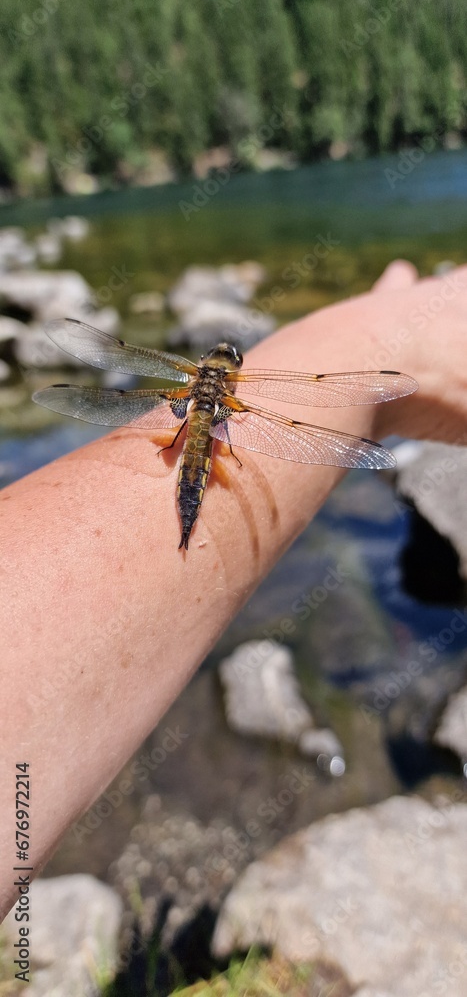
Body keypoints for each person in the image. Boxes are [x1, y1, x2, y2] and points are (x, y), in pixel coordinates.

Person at [1, 260, 466, 919]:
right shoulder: (239, 397)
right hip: (216, 446)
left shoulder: (188, 385)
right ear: (235, 373)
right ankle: (190, 525)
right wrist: (375, 348)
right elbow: (279, 420)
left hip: (185, 437)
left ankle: (187, 521)